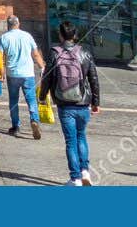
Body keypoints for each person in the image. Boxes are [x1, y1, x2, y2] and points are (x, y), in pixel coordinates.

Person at [40, 21, 101, 186]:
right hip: (83, 102)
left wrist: (42, 96)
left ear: (60, 35)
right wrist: (95, 102)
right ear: (75, 35)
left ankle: (75, 178)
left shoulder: (54, 53)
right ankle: (85, 171)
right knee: (81, 136)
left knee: (70, 141)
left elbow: (47, 78)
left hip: (64, 104)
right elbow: (94, 79)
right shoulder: (85, 53)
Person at [0, 15, 44, 139]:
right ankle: (34, 120)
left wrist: (1, 73)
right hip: (28, 73)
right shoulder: (27, 36)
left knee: (13, 100)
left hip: (12, 73)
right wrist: (42, 66)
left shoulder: (4, 37)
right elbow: (35, 54)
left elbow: (0, 57)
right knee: (31, 99)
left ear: (8, 25)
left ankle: (15, 126)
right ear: (18, 24)